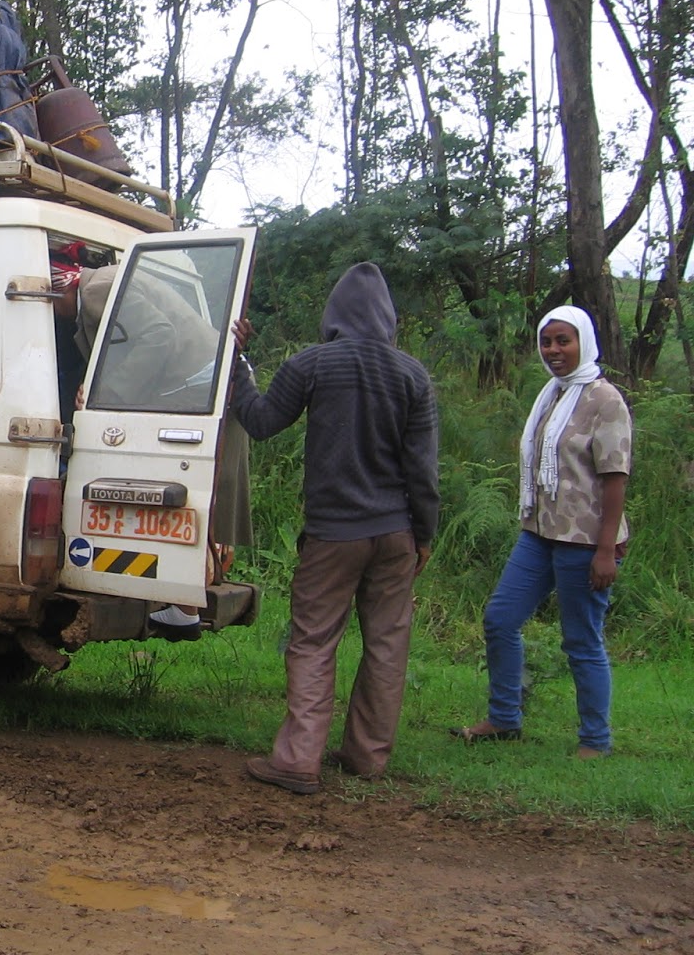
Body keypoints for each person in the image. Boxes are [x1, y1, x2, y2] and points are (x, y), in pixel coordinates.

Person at [230, 262, 439, 793]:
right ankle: (368, 756)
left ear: (334, 315)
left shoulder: (312, 365)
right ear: (388, 318)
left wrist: (236, 362)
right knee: (387, 645)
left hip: (333, 535)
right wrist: (424, 535)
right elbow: (423, 470)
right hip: (395, 533)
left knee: (314, 642)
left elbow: (259, 421)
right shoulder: (413, 376)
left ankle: (298, 761)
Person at [452, 306, 629, 759]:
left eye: (563, 341)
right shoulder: (552, 394)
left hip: (584, 539)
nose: (554, 350)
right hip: (539, 531)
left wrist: (606, 549)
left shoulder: (603, 399)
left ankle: (595, 741)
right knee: (500, 619)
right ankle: (505, 718)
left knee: (581, 639)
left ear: (583, 342)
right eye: (547, 342)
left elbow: (615, 476)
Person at [65, 263, 253, 642]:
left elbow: (157, 336)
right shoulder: (116, 275)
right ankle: (190, 595)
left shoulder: (98, 288)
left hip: (204, 385)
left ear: (61, 286)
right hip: (217, 379)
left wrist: (106, 393)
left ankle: (185, 603)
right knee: (196, 490)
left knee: (183, 486)